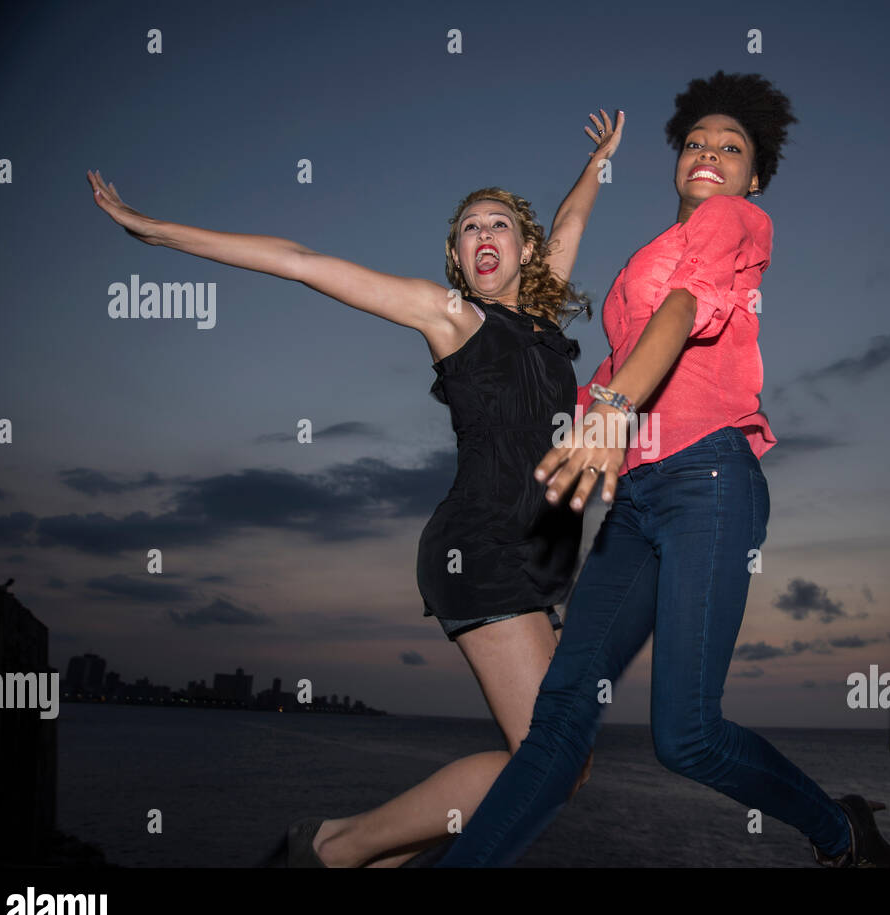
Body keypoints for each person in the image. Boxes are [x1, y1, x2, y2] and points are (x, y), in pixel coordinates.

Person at [85, 109, 621, 866]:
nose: (484, 234)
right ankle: (333, 846)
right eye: (468, 228)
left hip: (538, 569)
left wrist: (599, 162)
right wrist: (156, 231)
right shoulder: (449, 317)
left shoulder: (540, 316)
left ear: (524, 247)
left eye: (498, 222)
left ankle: (370, 859)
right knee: (549, 758)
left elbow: (568, 220)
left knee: (568, 766)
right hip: (480, 547)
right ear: (459, 259)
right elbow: (301, 260)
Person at [437, 71, 890, 868]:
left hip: (708, 481)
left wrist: (613, 404)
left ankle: (842, 831)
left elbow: (683, 313)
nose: (708, 154)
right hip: (635, 502)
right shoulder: (642, 258)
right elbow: (611, 355)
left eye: (731, 146)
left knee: (685, 736)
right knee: (555, 729)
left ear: (754, 175)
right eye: (694, 143)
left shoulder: (735, 220)